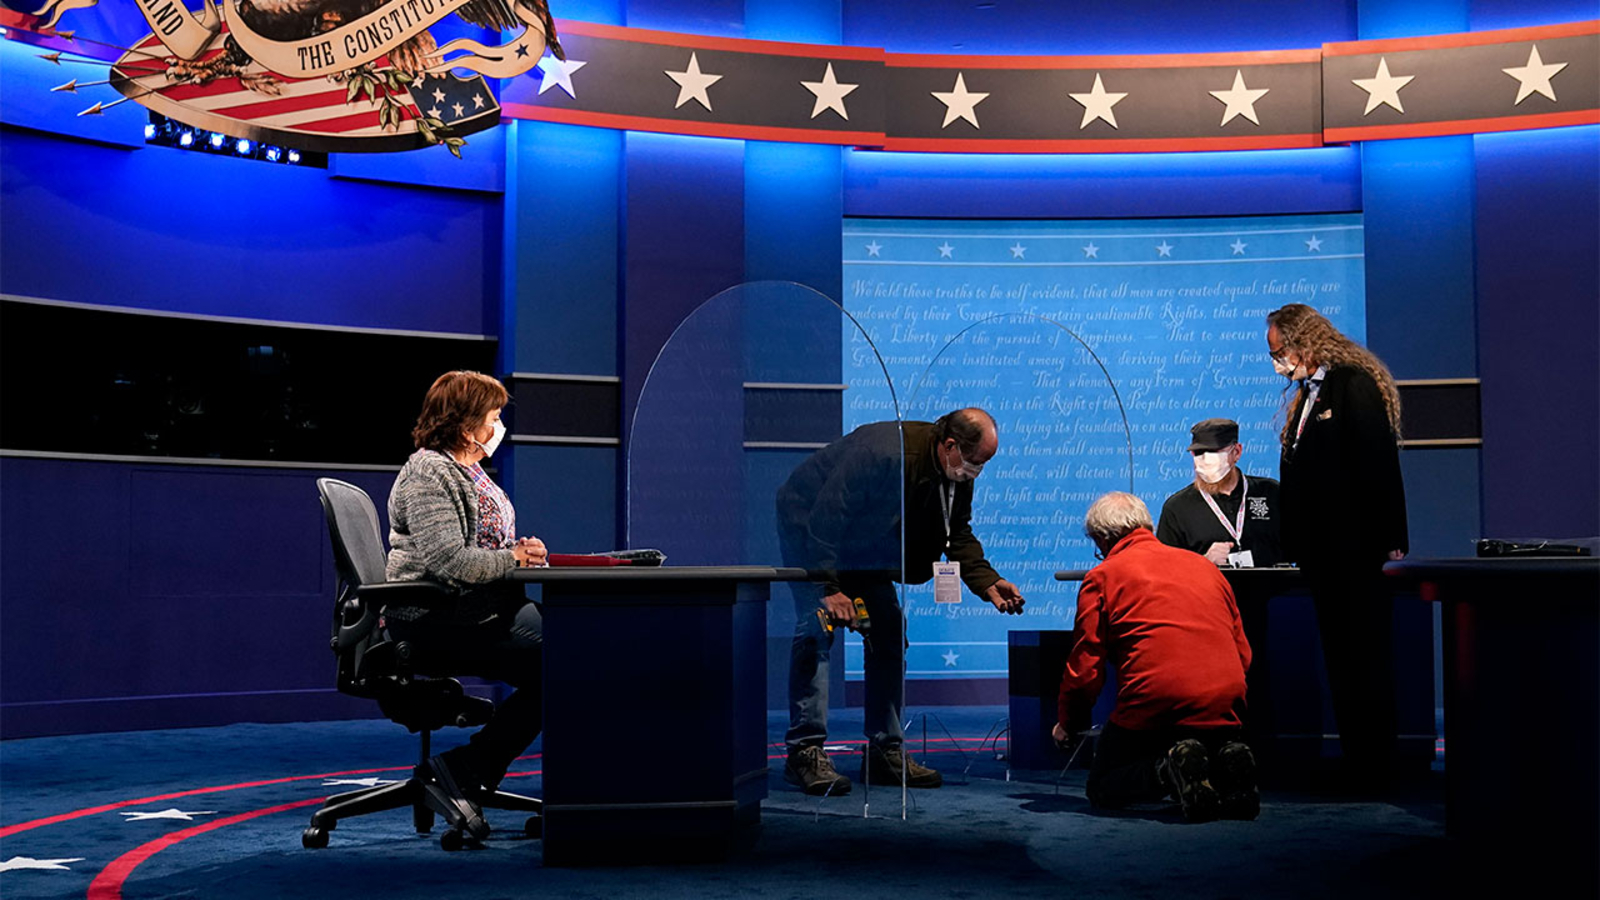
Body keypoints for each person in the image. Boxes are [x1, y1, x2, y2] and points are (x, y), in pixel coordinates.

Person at [777, 408, 1025, 795]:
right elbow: (828, 515)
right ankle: (804, 752)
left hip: (866, 544)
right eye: (978, 461)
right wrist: (827, 586)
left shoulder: (955, 471)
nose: (979, 470)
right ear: (950, 446)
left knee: (890, 632)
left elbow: (955, 532)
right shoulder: (883, 454)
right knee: (817, 628)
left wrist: (988, 582)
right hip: (810, 528)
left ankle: (884, 751)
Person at [385, 370, 549, 838]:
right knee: (567, 661)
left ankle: (468, 770)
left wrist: (517, 551)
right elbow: (449, 560)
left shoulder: (469, 470)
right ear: (464, 424)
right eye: (493, 417)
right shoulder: (428, 472)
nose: (499, 426)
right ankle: (466, 769)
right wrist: (508, 558)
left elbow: (479, 547)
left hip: (478, 608)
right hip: (433, 618)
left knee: (573, 658)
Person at [1265, 303, 1408, 791]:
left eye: (1279, 351)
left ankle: (1376, 764)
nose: (1277, 363)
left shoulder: (1353, 385)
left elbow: (1377, 465)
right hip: (1324, 555)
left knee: (1364, 657)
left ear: (1303, 342)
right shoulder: (1307, 394)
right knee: (1341, 659)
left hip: (1356, 550)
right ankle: (1357, 757)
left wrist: (1391, 539)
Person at [1052, 492, 1258, 822]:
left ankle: (1167, 770)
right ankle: (1225, 765)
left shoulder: (1102, 577)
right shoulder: (1205, 568)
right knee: (1200, 744)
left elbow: (1085, 668)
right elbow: (1242, 653)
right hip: (1224, 705)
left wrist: (1069, 723)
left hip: (1155, 706)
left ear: (1104, 539)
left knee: (1103, 786)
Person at [1156, 417, 1282, 567]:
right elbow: (1165, 570)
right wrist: (1204, 561)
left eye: (1214, 451)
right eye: (1199, 452)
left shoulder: (1271, 492)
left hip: (1271, 589)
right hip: (1208, 589)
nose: (1206, 459)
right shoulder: (1177, 508)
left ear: (1236, 452)